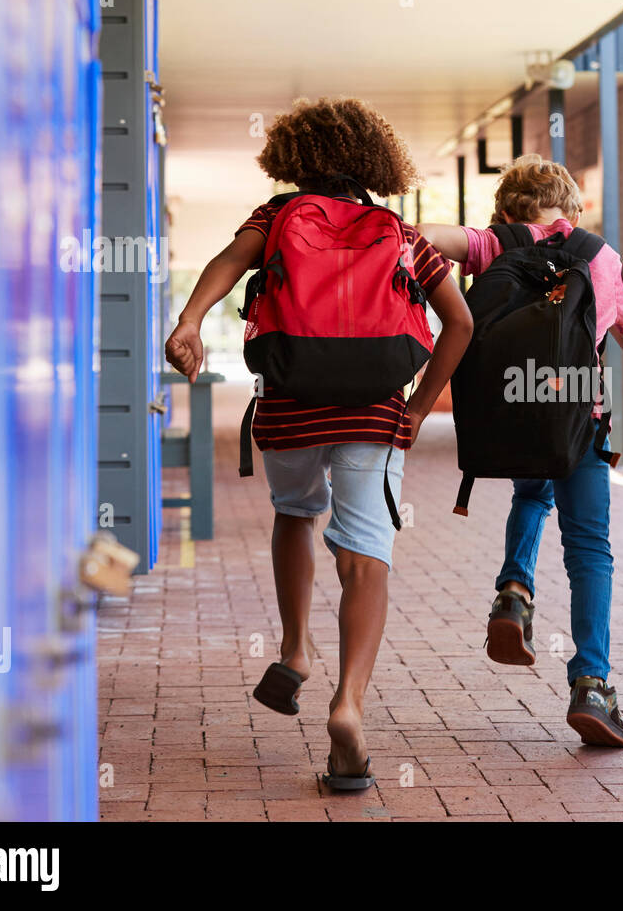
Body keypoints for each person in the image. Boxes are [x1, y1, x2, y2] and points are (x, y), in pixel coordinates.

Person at [164, 98, 472, 789]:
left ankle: (297, 648)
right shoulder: (397, 230)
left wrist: (189, 319)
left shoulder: (276, 217)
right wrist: (420, 408)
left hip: (291, 403)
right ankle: (350, 706)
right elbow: (461, 322)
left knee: (294, 514)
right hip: (372, 411)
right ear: (374, 161)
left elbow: (227, 262)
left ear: (293, 158)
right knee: (365, 556)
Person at [418, 154, 623, 747]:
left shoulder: (494, 242)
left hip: (514, 412)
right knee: (589, 549)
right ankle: (592, 684)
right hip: (577, 419)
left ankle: (514, 593)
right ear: (575, 206)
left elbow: (421, 238)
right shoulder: (602, 257)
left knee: (531, 492)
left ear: (507, 209)